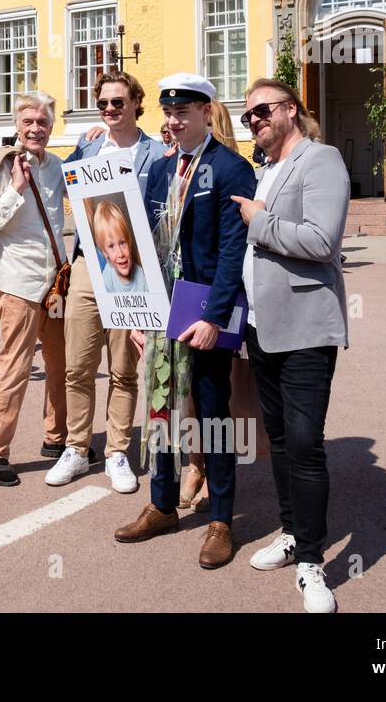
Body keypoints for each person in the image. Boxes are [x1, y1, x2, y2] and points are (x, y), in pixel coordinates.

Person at [114, 74, 255, 569]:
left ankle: (220, 519)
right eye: (168, 114)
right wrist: (138, 312)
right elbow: (146, 248)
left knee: (213, 415)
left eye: (184, 112)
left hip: (204, 310)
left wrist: (215, 318)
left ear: (205, 111)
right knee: (160, 411)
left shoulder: (231, 168)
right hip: (162, 310)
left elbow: (233, 251)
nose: (173, 121)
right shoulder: (160, 169)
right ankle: (162, 503)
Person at [231, 78, 348, 613]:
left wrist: (260, 222)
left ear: (291, 110)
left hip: (305, 329)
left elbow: (323, 243)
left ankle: (311, 560)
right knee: (277, 440)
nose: (253, 121)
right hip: (263, 328)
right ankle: (289, 530)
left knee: (305, 444)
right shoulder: (266, 170)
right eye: (247, 115)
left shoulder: (321, 160)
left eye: (261, 111)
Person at [48, 71, 165, 493]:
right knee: (78, 365)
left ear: (136, 102)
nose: (111, 110)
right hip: (86, 264)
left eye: (118, 102)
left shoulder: (158, 152)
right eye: (103, 104)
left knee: (123, 368)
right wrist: (80, 147)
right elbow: (58, 183)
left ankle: (117, 451)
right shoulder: (90, 147)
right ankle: (78, 448)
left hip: (132, 269)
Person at [0, 92, 69, 488]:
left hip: (56, 284)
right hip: (19, 284)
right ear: (17, 126)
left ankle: (56, 439)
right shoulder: (3, 168)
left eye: (42, 122)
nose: (36, 128)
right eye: (29, 122)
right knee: (15, 369)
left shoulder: (58, 167)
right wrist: (16, 189)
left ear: (51, 127)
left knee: (62, 366)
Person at [94, 202, 148, 293]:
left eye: (122, 243)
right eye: (111, 246)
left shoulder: (141, 276)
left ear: (129, 244)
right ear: (105, 253)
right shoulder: (107, 276)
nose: (120, 254)